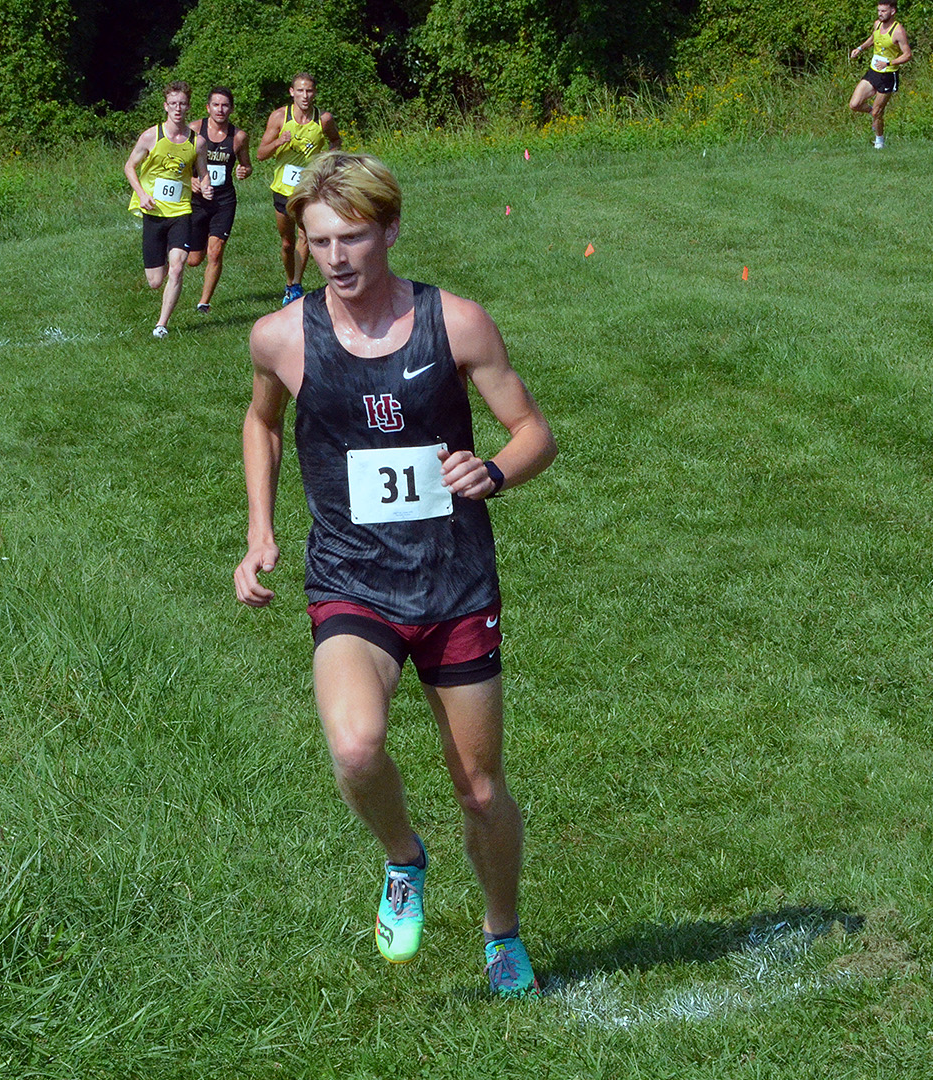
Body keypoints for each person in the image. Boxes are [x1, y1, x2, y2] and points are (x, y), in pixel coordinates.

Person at [234, 152, 557, 998]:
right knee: (355, 743)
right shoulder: (280, 337)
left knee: (482, 791)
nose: (336, 258)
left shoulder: (455, 323)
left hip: (454, 582)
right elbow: (262, 424)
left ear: (390, 230)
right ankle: (402, 857)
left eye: (353, 238)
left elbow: (532, 433)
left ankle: (502, 934)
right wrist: (260, 529)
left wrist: (493, 470)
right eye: (319, 241)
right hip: (352, 580)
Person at [124, 81, 211, 337]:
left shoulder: (198, 142)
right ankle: (161, 250)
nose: (178, 108)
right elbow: (130, 166)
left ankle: (161, 325)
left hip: (181, 211)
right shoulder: (152, 136)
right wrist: (141, 194)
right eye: (173, 104)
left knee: (178, 266)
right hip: (154, 212)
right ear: (165, 106)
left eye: (182, 104)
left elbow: (204, 174)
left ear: (188, 107)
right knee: (155, 281)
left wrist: (206, 187)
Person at [256, 72, 341, 307]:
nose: (305, 95)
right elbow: (261, 154)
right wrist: (278, 142)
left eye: (310, 90)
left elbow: (336, 141)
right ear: (292, 92)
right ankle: (289, 280)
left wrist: (329, 155)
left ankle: (295, 285)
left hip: (309, 189)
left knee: (306, 235)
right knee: (286, 242)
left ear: (315, 93)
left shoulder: (323, 119)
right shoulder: (279, 117)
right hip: (283, 188)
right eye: (300, 91)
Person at [186, 86, 254, 314]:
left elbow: (247, 165)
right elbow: (179, 162)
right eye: (216, 105)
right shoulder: (195, 130)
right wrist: (191, 180)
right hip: (196, 201)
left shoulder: (239, 137)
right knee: (194, 259)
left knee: (215, 251)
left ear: (231, 109)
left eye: (225, 105)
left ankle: (203, 303)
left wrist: (244, 170)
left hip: (223, 201)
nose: (220, 109)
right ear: (208, 107)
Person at [849, 1, 912, 149]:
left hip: (888, 76)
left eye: (883, 11)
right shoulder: (877, 24)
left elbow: (907, 55)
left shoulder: (898, 31)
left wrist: (889, 63)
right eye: (879, 10)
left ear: (892, 12)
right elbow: (873, 38)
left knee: (878, 111)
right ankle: (874, 114)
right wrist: (860, 48)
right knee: (854, 104)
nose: (880, 13)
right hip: (873, 72)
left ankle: (879, 143)